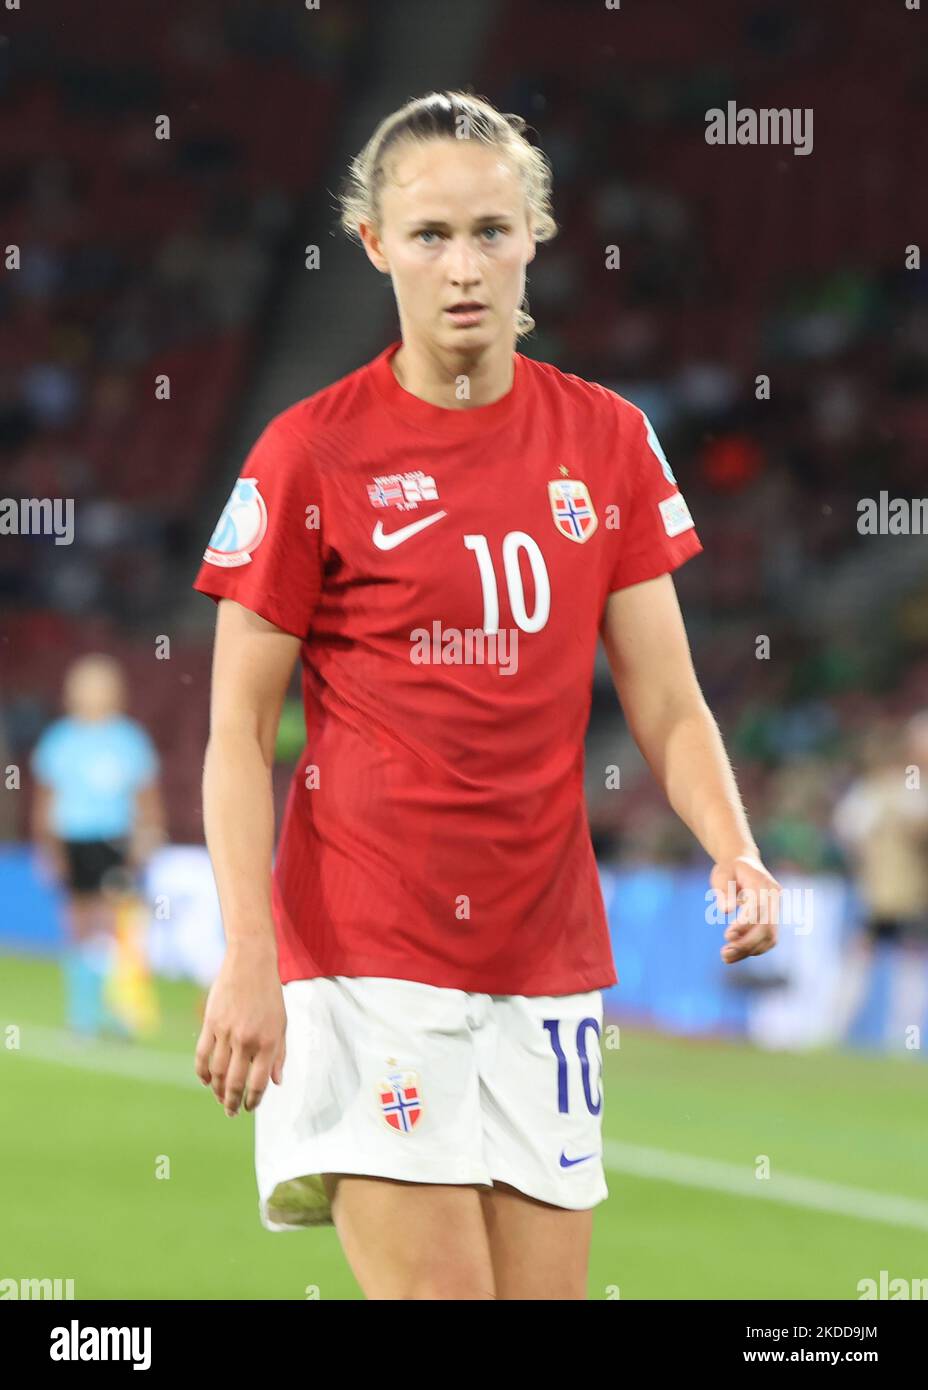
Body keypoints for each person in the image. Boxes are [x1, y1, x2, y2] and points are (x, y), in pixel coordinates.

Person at [192, 90, 780, 1301]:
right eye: (428, 236)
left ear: (535, 237)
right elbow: (236, 732)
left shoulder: (609, 440)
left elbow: (667, 701)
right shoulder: (310, 453)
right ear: (373, 245)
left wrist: (735, 845)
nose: (462, 267)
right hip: (364, 951)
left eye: (490, 231)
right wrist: (249, 949)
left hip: (547, 959)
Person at [30, 652, 165, 1039]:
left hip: (114, 841)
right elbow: (45, 800)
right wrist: (48, 848)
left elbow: (147, 797)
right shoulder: (61, 740)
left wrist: (150, 834)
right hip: (74, 840)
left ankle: (121, 1011)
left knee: (115, 926)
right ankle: (83, 1013)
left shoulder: (129, 739)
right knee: (77, 927)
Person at [829, 718, 928, 1049]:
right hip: (880, 893)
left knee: (910, 963)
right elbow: (848, 826)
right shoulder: (882, 787)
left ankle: (903, 1041)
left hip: (916, 895)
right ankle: (836, 1031)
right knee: (862, 957)